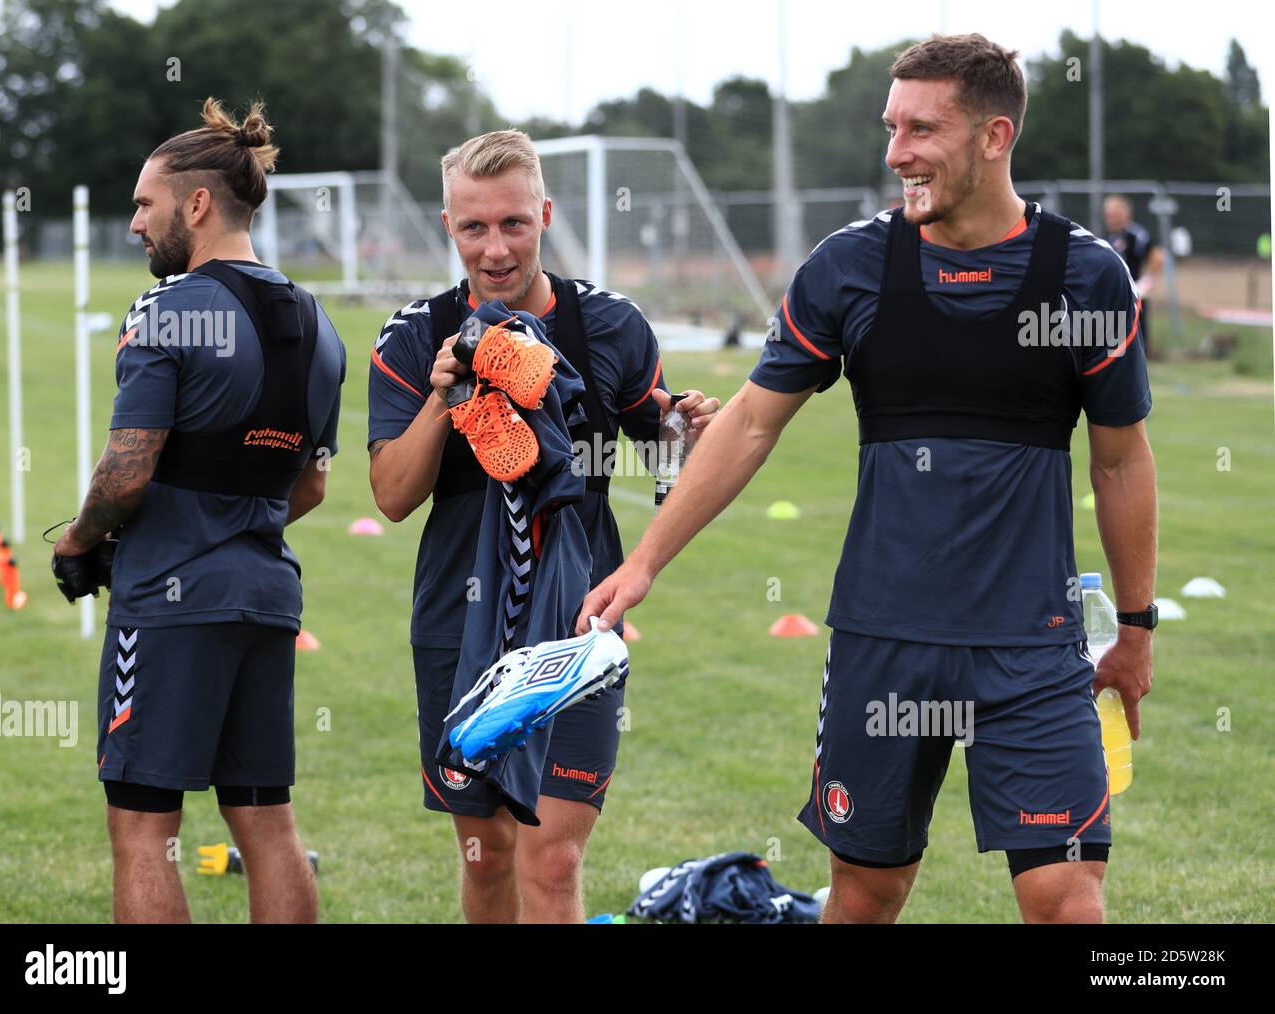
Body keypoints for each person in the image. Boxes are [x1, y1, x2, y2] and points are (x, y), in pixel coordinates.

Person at [579, 34, 1158, 925]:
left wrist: (1135, 626)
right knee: (867, 893)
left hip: (1034, 648)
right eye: (891, 128)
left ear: (995, 136)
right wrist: (647, 559)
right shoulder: (850, 266)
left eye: (921, 130)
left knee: (1065, 895)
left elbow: (1120, 458)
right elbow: (750, 422)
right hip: (883, 643)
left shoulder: (1085, 277)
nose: (896, 153)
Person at [367, 129, 718, 923]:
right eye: (474, 227)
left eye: (514, 224)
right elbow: (391, 496)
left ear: (546, 216)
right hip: (459, 624)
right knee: (487, 856)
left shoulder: (611, 326)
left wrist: (687, 431)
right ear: (449, 226)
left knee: (551, 859)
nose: (495, 249)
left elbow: (659, 447)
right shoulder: (414, 334)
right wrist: (442, 397)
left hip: (578, 624)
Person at [51, 98, 346, 923]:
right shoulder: (319, 324)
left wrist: (78, 542)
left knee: (143, 826)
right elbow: (312, 484)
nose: (135, 223)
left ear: (197, 204)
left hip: (170, 600)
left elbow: (125, 471)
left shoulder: (165, 310)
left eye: (145, 204)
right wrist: (230, 520)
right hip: (267, 596)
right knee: (266, 819)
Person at [1103, 194, 1164, 358]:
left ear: (1125, 213)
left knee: (1136, 328)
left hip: (1133, 291)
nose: (1111, 219)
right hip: (1114, 292)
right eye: (1108, 215)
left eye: (1115, 215)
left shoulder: (1136, 234)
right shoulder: (1108, 237)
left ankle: (1141, 356)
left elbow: (1157, 257)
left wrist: (1145, 281)